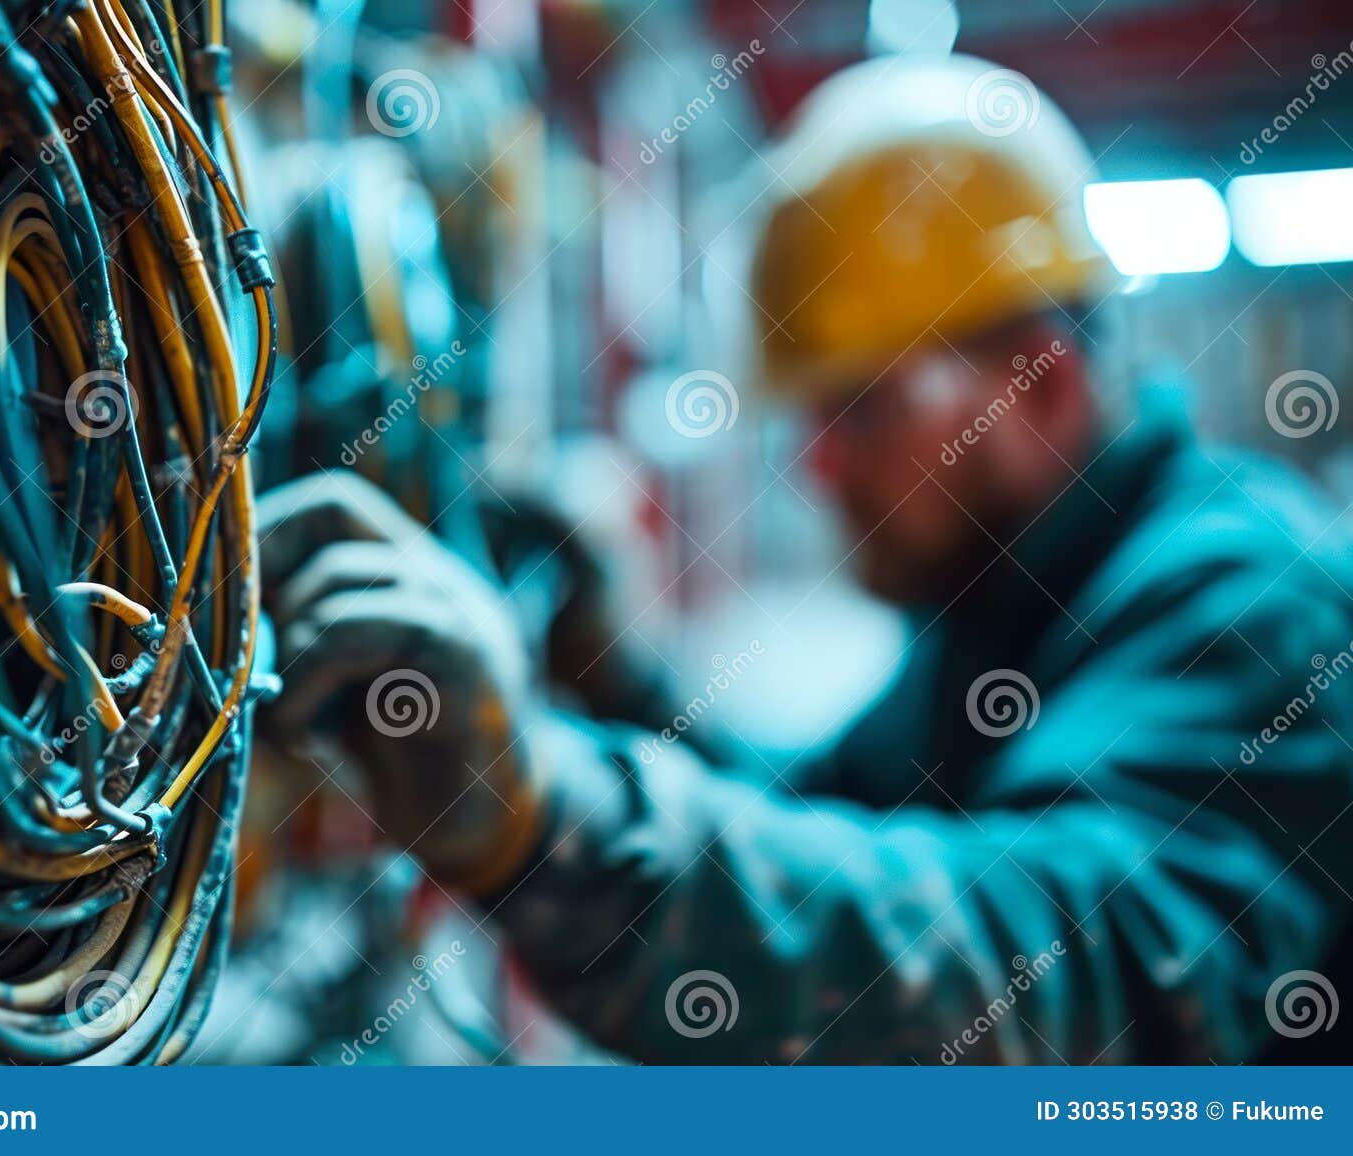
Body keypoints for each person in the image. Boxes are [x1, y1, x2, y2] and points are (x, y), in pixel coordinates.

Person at [254, 54, 1353, 1063]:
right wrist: (616, 674)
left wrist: (552, 815)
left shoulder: (1250, 608)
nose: (818, 470)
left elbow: (1047, 973)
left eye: (862, 409)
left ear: (1043, 380)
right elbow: (842, 826)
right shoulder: (1018, 601)